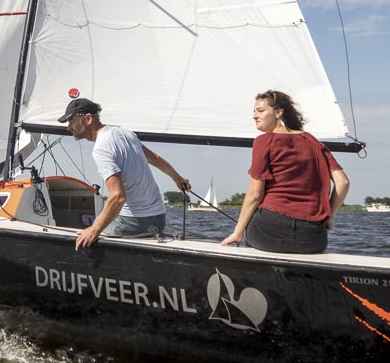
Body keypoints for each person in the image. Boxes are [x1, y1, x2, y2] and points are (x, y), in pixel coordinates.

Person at [219, 90, 350, 254]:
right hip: (312, 238)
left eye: (260, 111)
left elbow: (255, 194)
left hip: (270, 231)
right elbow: (343, 182)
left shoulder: (264, 141)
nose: (254, 116)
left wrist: (238, 232)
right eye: (254, 111)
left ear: (279, 112)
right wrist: (329, 216)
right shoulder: (314, 143)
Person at [58, 97, 191, 250]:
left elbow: (118, 197)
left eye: (71, 121)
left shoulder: (101, 148)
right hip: (159, 217)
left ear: (88, 119)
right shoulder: (125, 132)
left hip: (133, 222)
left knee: (87, 240)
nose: (68, 128)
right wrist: (177, 178)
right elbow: (154, 158)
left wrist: (94, 229)